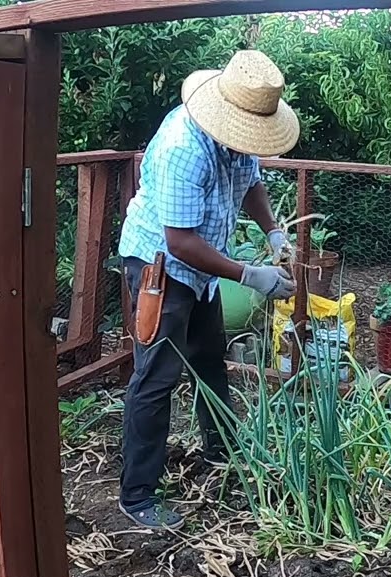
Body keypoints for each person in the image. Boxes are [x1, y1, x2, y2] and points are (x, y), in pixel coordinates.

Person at [115, 50, 299, 530]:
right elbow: (180, 241)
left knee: (210, 359)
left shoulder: (236, 138)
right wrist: (249, 275)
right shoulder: (183, 145)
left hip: (200, 267)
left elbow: (251, 182)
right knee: (156, 377)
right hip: (161, 265)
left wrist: (274, 232)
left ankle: (220, 454)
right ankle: (137, 496)